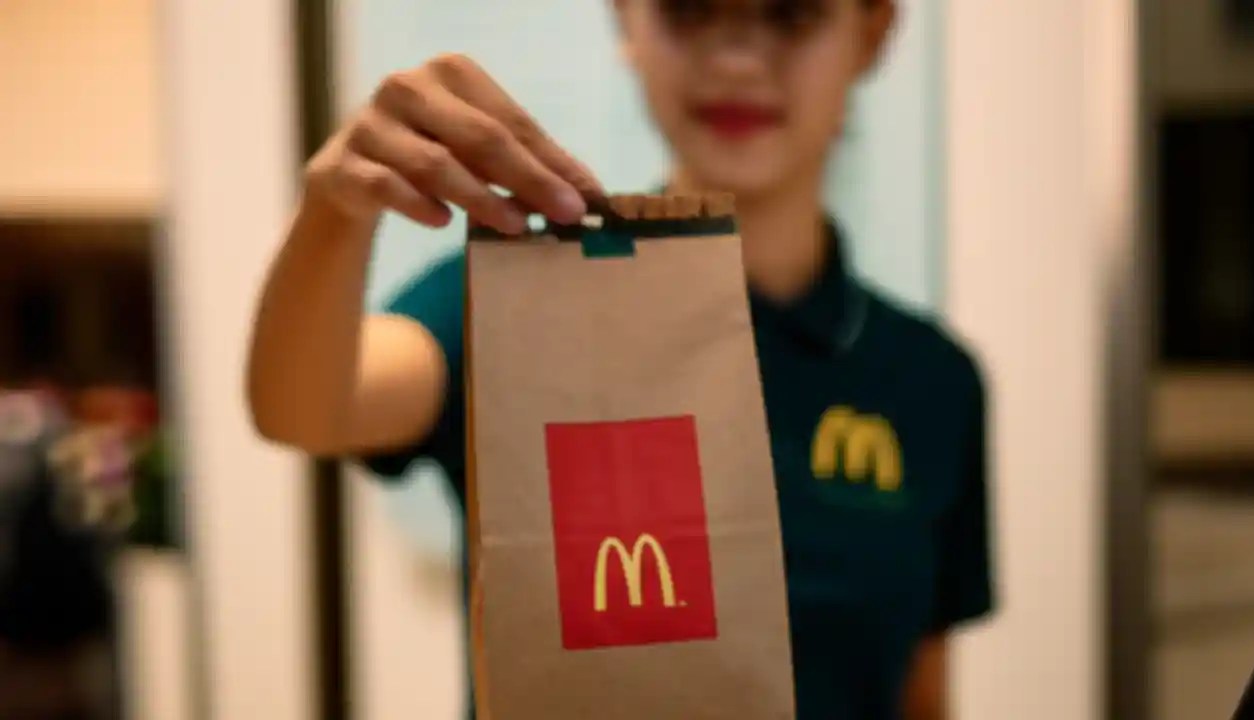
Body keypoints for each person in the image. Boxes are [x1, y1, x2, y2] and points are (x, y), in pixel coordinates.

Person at [248, 1, 994, 717]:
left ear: (872, 32)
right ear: (624, 17)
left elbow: (921, 701)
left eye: (790, 12)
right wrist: (335, 213)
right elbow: (308, 405)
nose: (736, 60)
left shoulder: (932, 380)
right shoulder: (527, 299)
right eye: (691, 8)